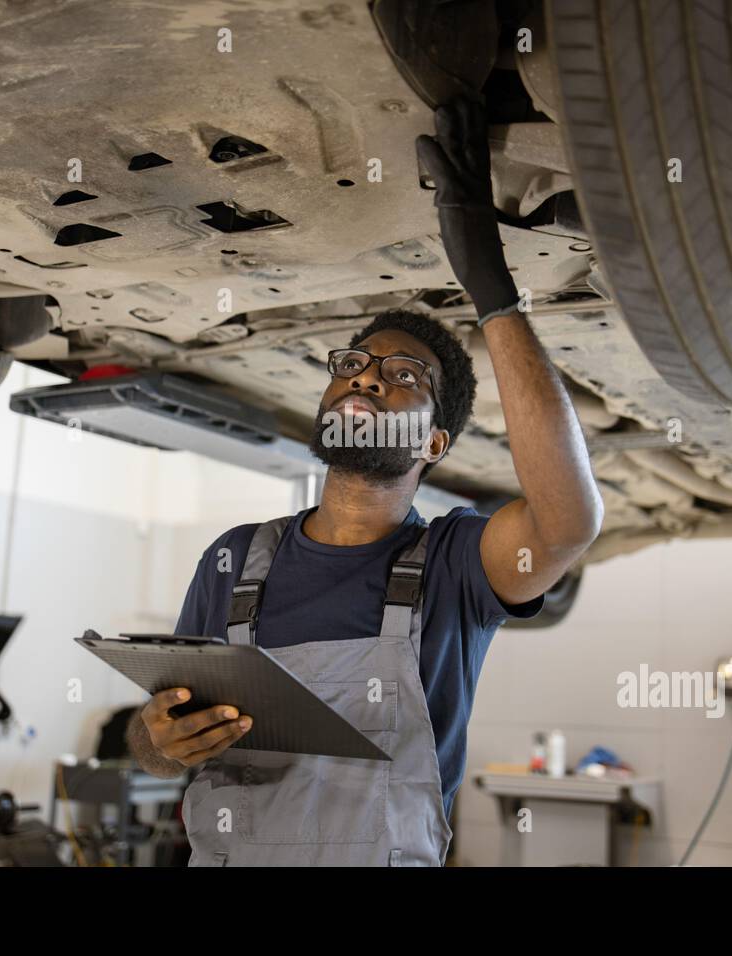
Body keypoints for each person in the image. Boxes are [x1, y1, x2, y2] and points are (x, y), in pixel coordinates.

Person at [127, 96, 602, 865]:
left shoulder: (457, 566)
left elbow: (567, 523)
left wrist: (493, 293)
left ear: (436, 442)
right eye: (352, 364)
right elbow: (154, 740)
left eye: (402, 375)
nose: (367, 379)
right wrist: (156, 741)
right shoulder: (232, 560)